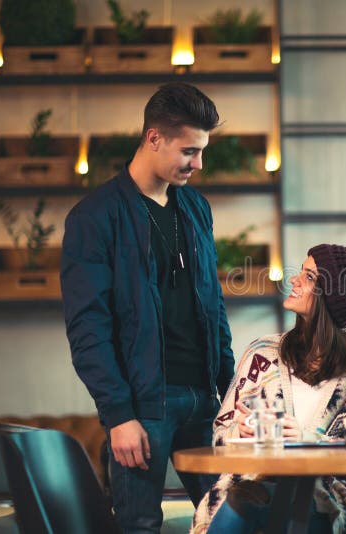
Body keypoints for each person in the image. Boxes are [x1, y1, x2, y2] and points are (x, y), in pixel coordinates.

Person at [61, 82, 236, 533]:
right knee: (139, 525)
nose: (198, 164)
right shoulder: (94, 217)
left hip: (205, 402)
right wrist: (118, 415)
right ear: (153, 138)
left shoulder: (196, 207)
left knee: (231, 521)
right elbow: (88, 328)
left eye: (202, 152)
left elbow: (212, 307)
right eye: (189, 151)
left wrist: (232, 393)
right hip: (143, 406)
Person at [191, 243, 346, 534]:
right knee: (242, 502)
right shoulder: (262, 353)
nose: (294, 279)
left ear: (332, 296)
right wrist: (239, 432)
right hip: (251, 486)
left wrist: (307, 440)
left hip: (324, 498)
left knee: (289, 511)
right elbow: (220, 436)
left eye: (308, 276)